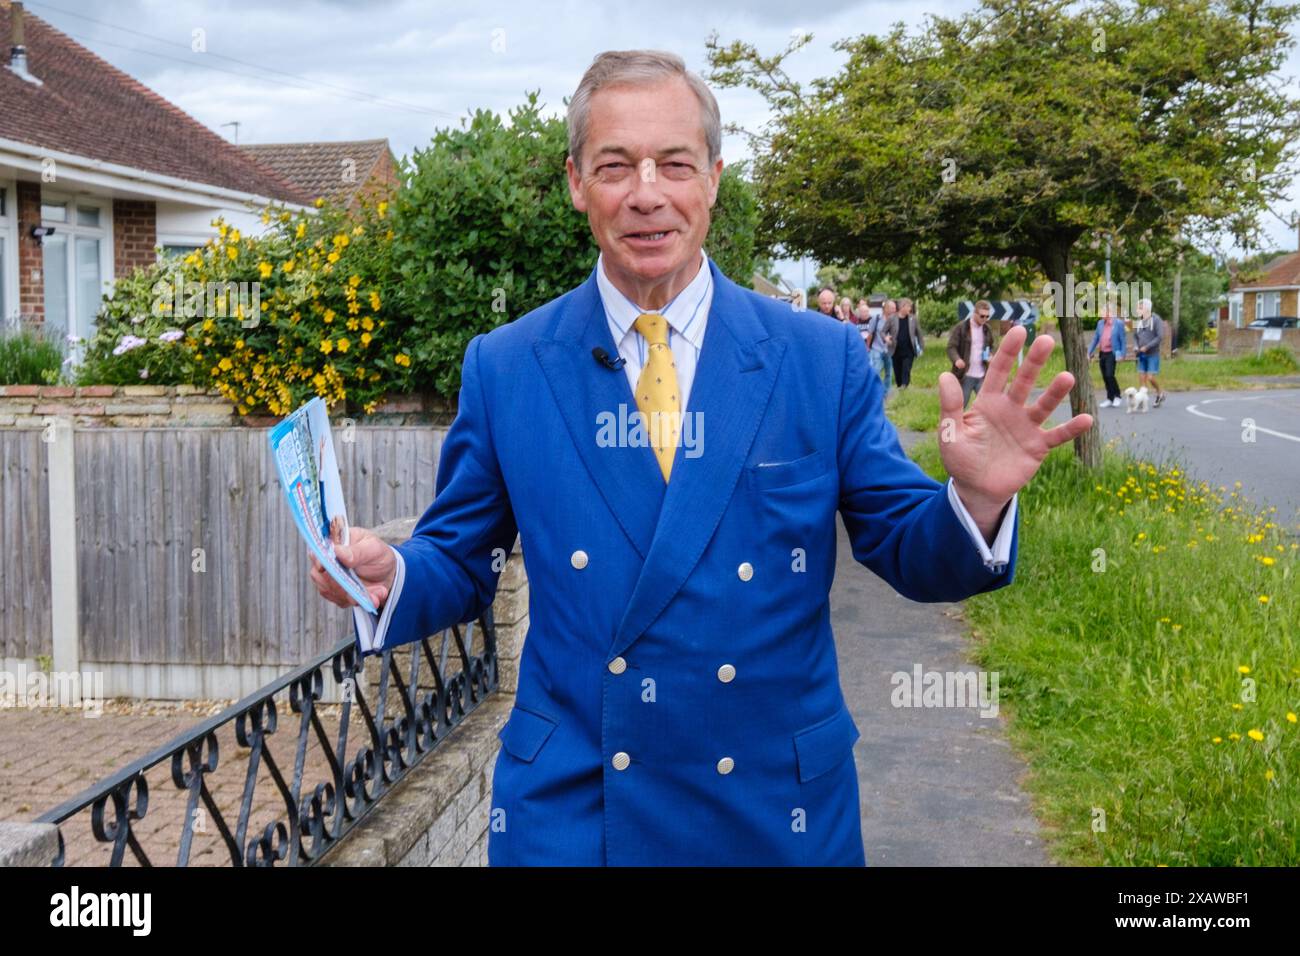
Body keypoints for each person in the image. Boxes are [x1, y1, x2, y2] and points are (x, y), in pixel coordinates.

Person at [308, 48, 1091, 867]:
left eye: (674, 164)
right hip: (578, 817)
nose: (647, 193)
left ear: (713, 176)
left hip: (772, 811)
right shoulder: (506, 366)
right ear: (576, 182)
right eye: (615, 166)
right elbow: (462, 561)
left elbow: (905, 545)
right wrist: (392, 575)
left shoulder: (818, 360)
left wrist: (976, 506)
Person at [947, 300, 999, 409]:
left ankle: (981, 425)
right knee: (960, 406)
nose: (985, 319)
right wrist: (957, 360)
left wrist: (991, 355)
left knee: (987, 406)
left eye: (987, 316)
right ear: (974, 313)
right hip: (965, 375)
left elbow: (993, 345)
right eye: (982, 316)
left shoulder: (987, 329)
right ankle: (956, 425)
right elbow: (951, 347)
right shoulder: (962, 327)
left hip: (982, 375)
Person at [1087, 304, 1127, 407]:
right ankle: (1110, 398)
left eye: (1102, 312)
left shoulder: (1118, 323)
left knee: (1110, 375)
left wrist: (1122, 354)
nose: (1100, 314)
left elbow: (1123, 340)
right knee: (1105, 376)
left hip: (1112, 353)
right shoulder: (1100, 323)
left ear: (1109, 312)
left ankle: (1117, 396)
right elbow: (1095, 339)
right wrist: (1089, 352)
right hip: (1102, 353)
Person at [1133, 298, 1167, 407]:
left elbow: (1160, 337)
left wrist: (1147, 347)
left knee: (1150, 377)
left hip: (1152, 353)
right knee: (1142, 377)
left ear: (1147, 309)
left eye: (1140, 307)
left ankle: (1160, 393)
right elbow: (1135, 336)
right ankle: (1143, 400)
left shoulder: (1156, 320)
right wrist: (1135, 346)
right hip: (1141, 354)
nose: (1138, 310)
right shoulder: (1138, 321)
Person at [891, 297, 924, 389]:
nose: (910, 308)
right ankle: (900, 386)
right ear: (902, 307)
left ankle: (905, 386)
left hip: (909, 349)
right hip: (896, 350)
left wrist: (921, 347)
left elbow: (919, 333)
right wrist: (886, 338)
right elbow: (883, 331)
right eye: (908, 306)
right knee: (898, 372)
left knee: (906, 368)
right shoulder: (892, 318)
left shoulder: (913, 319)